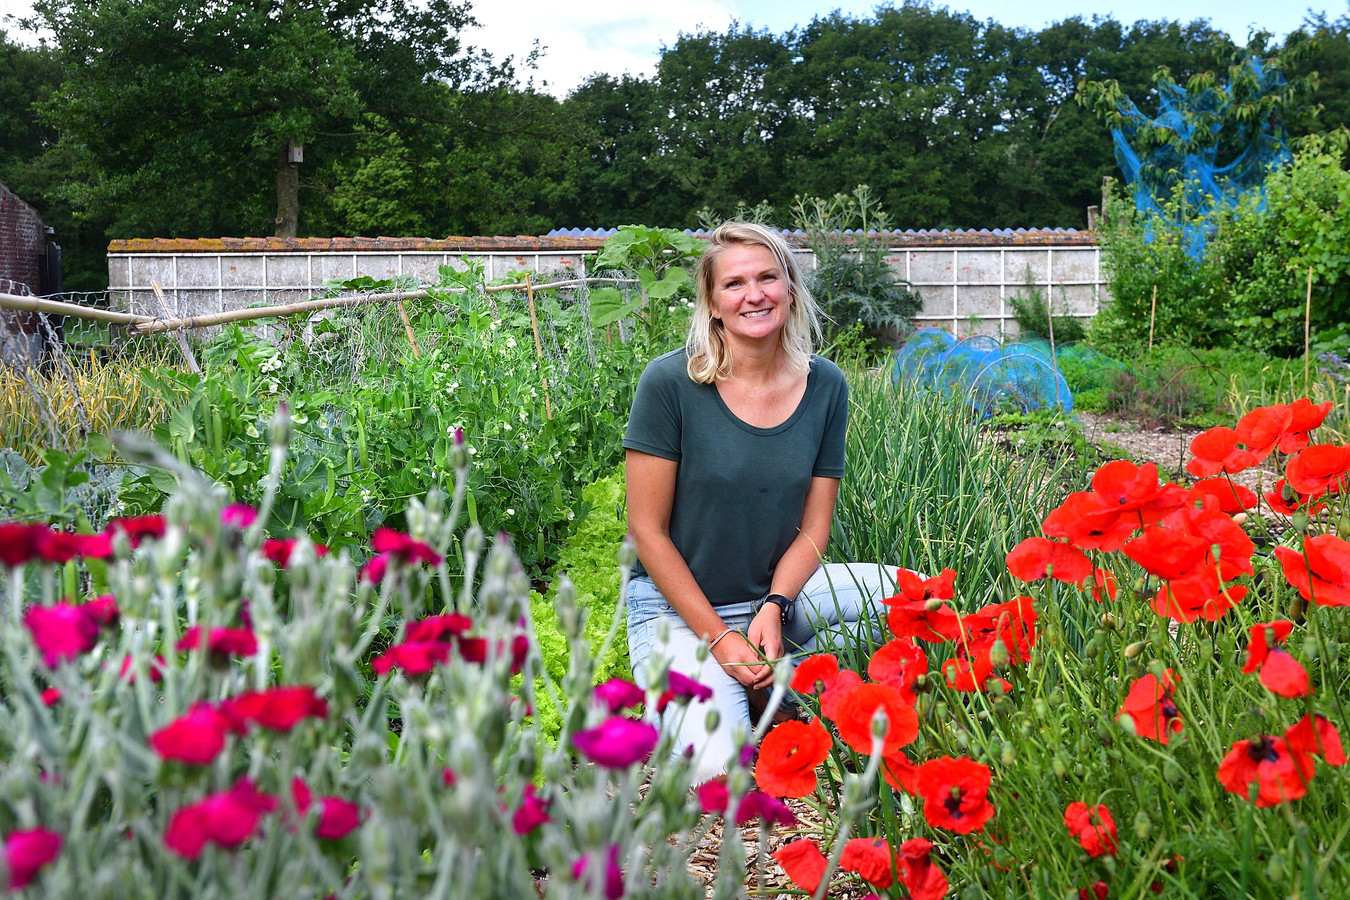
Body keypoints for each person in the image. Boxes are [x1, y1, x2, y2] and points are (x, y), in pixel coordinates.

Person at [623, 221, 896, 784]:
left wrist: (772, 606)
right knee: (717, 773)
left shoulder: (826, 386)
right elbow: (647, 533)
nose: (755, 295)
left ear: (790, 289)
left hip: (776, 597)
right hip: (679, 610)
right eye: (735, 284)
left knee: (912, 597)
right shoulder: (670, 383)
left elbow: (814, 528)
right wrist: (721, 639)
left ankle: (780, 679)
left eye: (769, 277)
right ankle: (758, 696)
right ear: (713, 303)